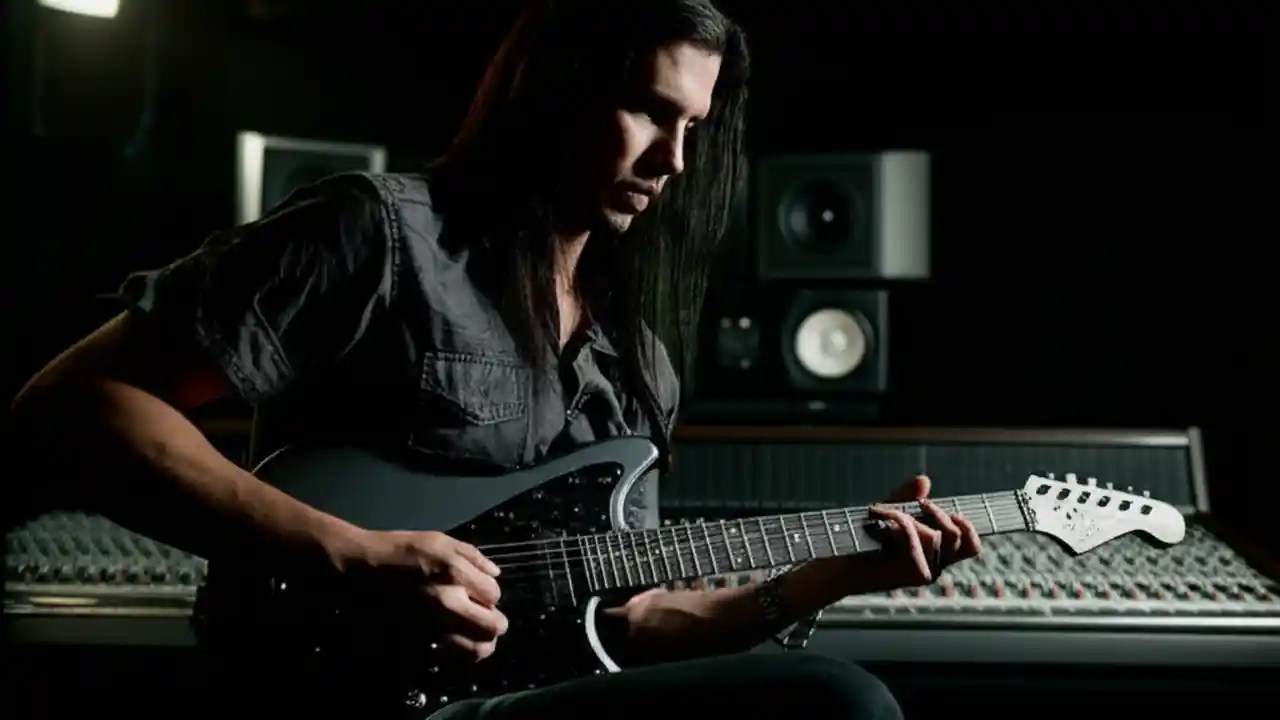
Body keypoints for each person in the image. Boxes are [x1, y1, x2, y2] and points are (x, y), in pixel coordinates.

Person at [7, 1, 980, 718]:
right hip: (338, 696)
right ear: (554, 92)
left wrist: (824, 577)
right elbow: (78, 400)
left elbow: (630, 619)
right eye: (648, 111)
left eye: (691, 126)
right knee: (837, 704)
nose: (674, 161)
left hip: (523, 705)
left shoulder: (633, 354)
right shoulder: (378, 237)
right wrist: (355, 557)